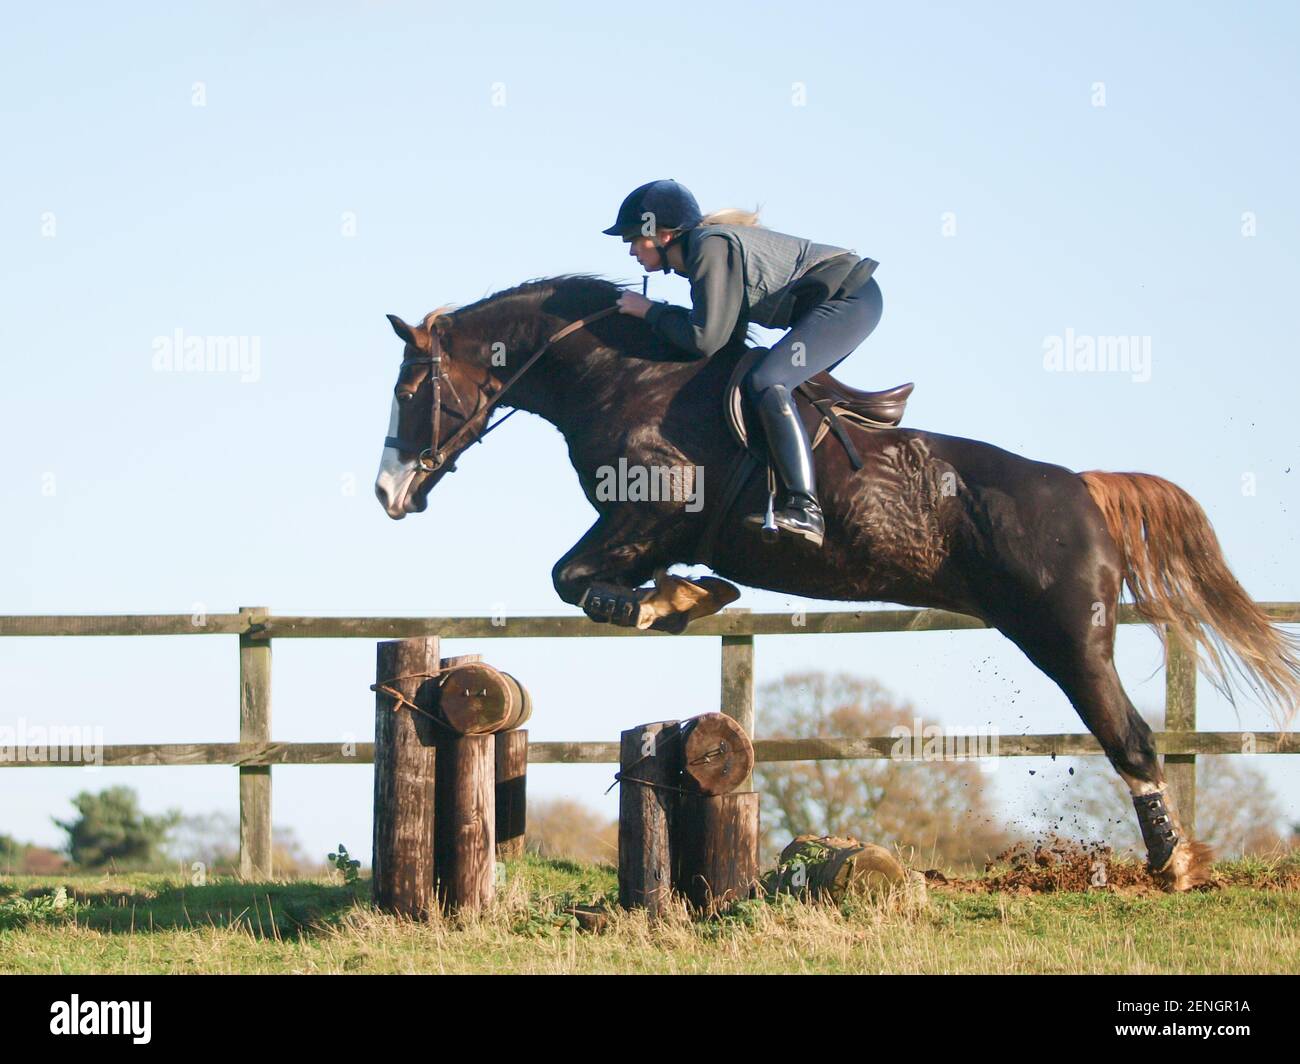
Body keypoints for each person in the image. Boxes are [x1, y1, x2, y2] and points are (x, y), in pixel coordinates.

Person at [605, 179, 882, 548]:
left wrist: (651, 312)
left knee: (767, 381)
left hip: (850, 301)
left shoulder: (709, 247)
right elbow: (724, 343)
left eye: (633, 240)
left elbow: (705, 338)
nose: (631, 252)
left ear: (664, 235)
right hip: (839, 306)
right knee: (755, 383)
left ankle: (804, 509)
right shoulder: (701, 254)